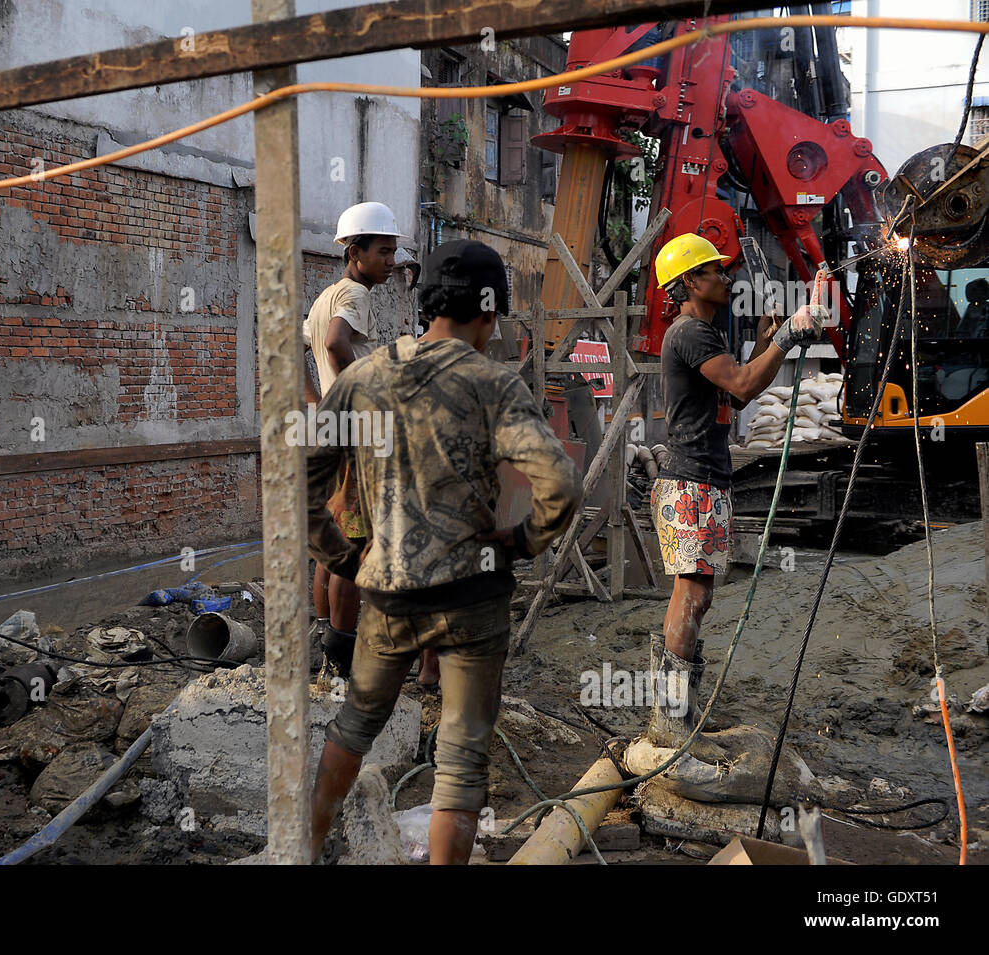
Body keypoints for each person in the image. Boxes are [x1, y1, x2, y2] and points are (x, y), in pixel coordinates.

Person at [306, 240, 582, 864]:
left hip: (386, 595)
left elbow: (304, 485)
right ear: (488, 313)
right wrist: (522, 540)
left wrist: (346, 559)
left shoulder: (360, 380)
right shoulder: (493, 384)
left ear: (426, 302)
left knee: (354, 724)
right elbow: (562, 484)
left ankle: (301, 847)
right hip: (473, 598)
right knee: (461, 760)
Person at [649, 234, 826, 760]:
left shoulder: (703, 332)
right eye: (714, 272)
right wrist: (789, 336)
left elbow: (735, 384)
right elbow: (746, 387)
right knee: (692, 594)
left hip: (705, 476)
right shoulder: (691, 333)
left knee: (698, 594)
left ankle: (675, 712)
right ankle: (670, 717)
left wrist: (764, 343)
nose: (727, 278)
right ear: (689, 282)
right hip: (691, 479)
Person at [302, 201, 403, 681]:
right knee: (356, 543)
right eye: (384, 251)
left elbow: (292, 348)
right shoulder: (354, 296)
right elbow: (334, 344)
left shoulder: (324, 297)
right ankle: (343, 661)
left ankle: (326, 638)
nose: (391, 260)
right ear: (355, 251)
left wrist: (316, 401)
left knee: (334, 538)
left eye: (394, 251)